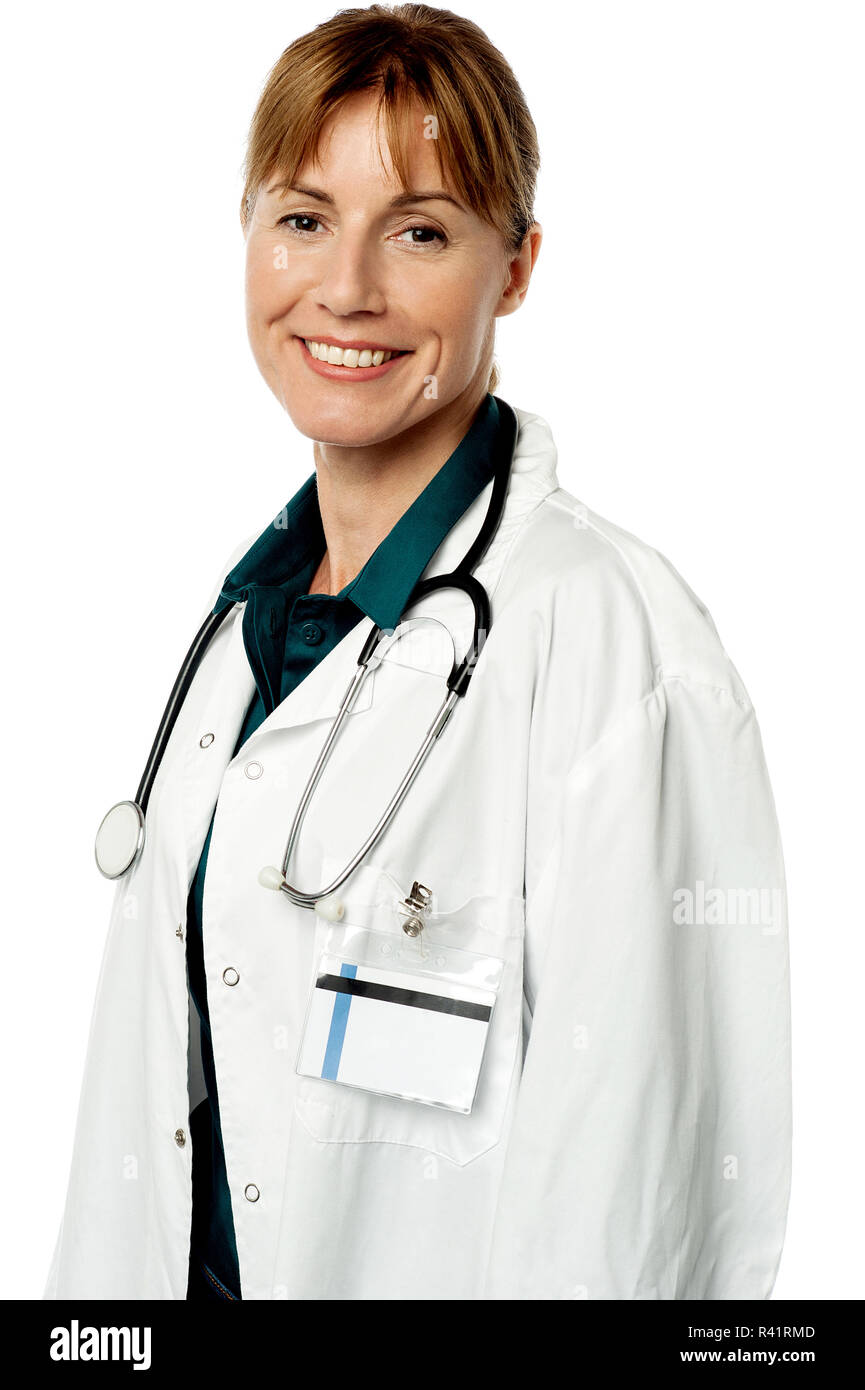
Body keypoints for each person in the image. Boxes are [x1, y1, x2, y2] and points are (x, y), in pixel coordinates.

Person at [45, 4, 791, 1301]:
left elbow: (638, 1185)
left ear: (515, 267)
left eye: (421, 230)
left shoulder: (607, 640)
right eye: (302, 217)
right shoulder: (245, 631)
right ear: (246, 237)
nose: (345, 288)